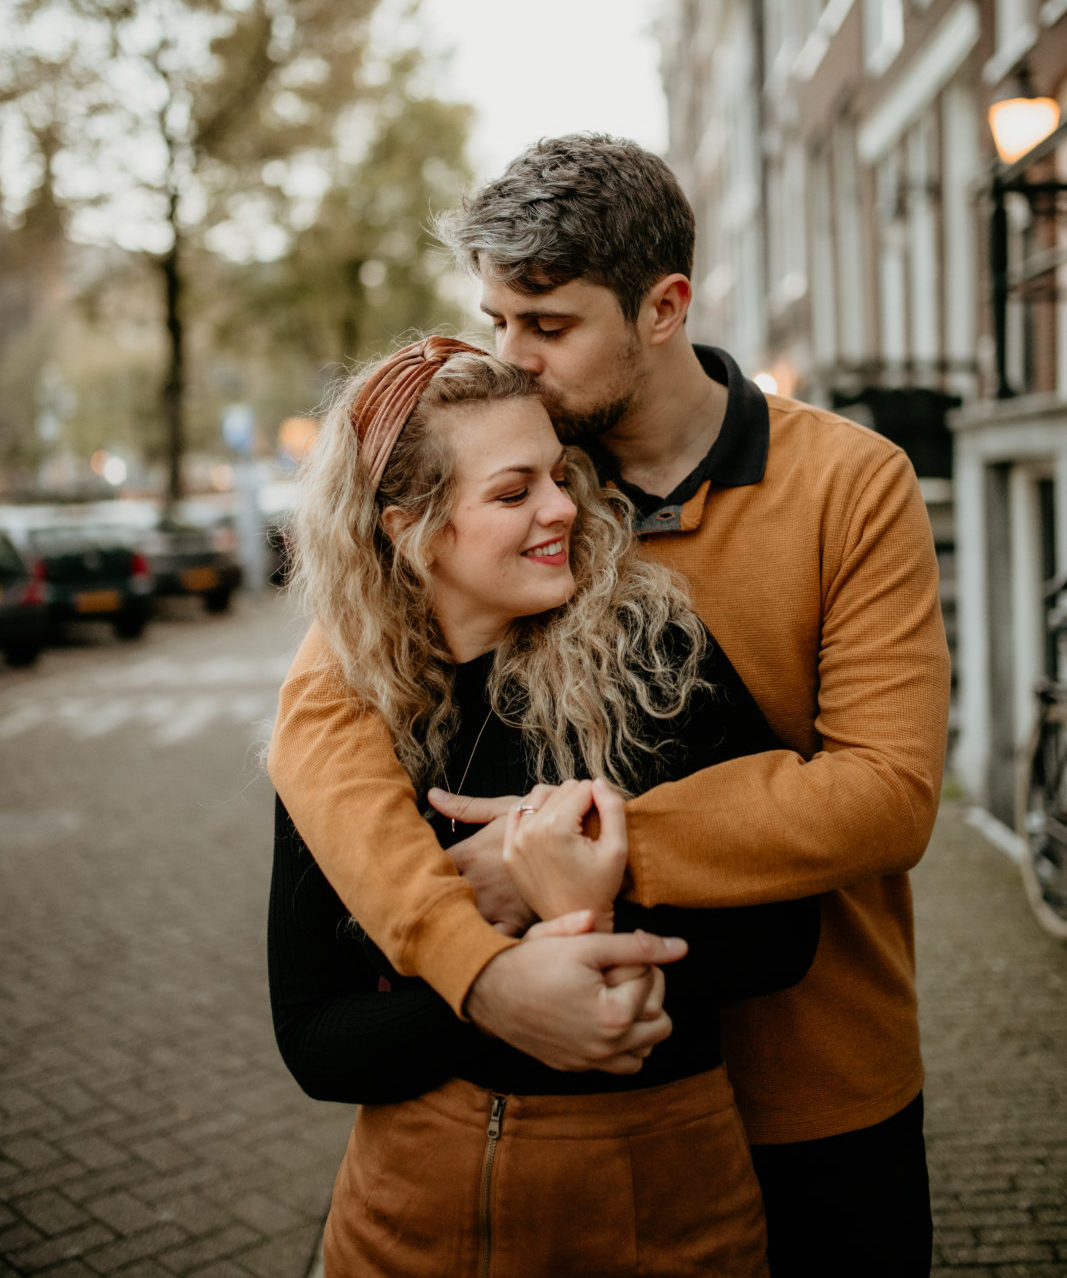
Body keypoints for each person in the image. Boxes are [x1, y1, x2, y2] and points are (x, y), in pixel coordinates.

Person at [269, 135, 951, 1277]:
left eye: (545, 325)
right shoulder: (523, 492)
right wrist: (473, 966)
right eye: (494, 319)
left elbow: (885, 796)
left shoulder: (849, 483)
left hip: (815, 1075)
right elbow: (320, 711)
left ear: (661, 308)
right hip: (580, 1123)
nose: (510, 358)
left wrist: (570, 849)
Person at [268, 335, 820, 1277]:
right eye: (513, 492)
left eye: (558, 477)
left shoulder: (652, 656)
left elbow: (783, 934)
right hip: (401, 1224)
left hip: (654, 1216)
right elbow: (318, 1042)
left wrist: (586, 904)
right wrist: (506, 995)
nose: (564, 507)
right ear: (408, 528)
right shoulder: (348, 721)